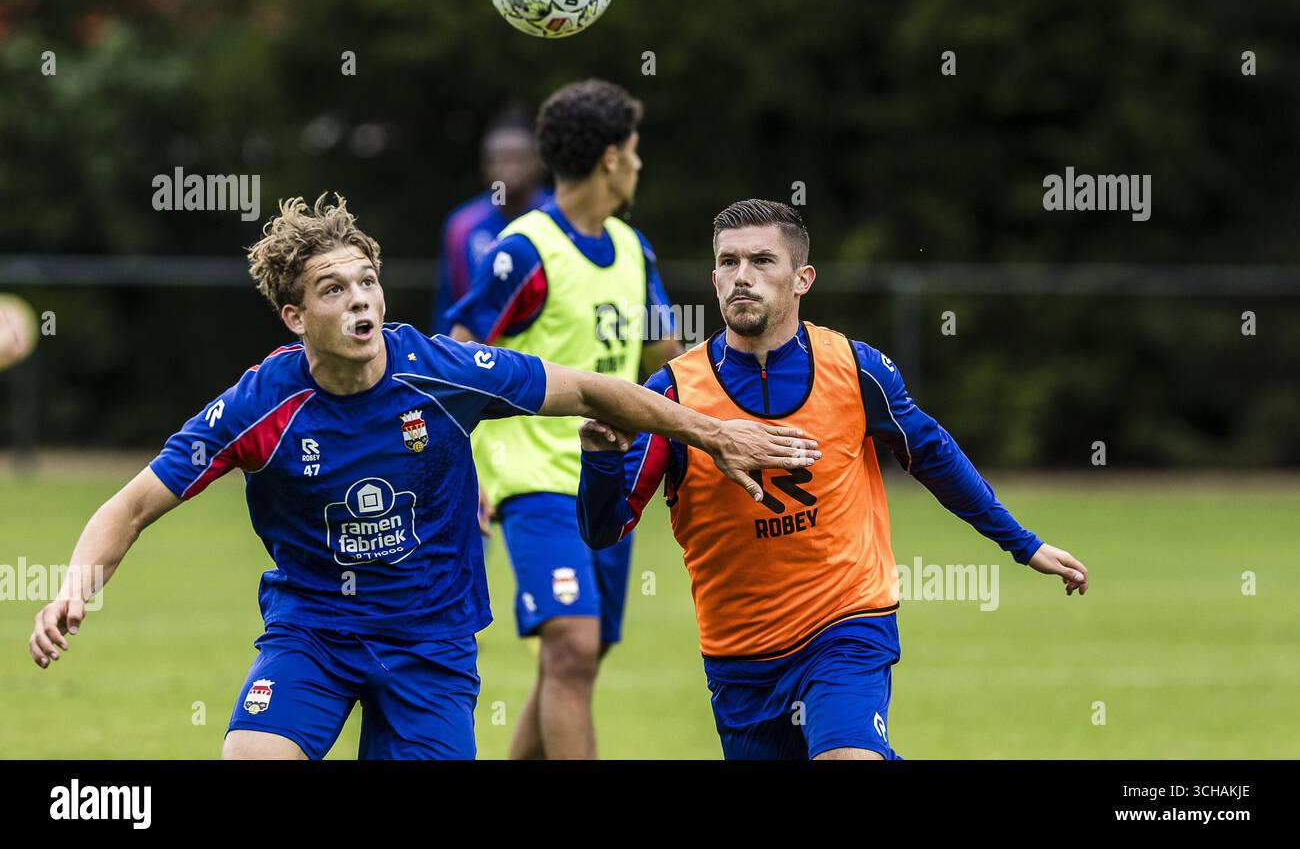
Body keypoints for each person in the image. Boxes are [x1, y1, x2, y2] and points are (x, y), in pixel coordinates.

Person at [26, 192, 818, 761]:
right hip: (313, 633)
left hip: (430, 646)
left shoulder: (439, 372)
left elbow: (586, 388)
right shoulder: (260, 403)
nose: (360, 300)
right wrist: (74, 587)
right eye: (333, 290)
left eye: (366, 281)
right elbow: (130, 506)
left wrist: (714, 435)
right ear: (297, 319)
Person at [576, 199, 1090, 760]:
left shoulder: (854, 367)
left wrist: (1024, 544)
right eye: (728, 262)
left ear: (803, 279)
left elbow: (934, 456)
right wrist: (599, 459)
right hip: (740, 657)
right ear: (714, 276)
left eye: (762, 261)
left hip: (846, 625)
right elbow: (606, 528)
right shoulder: (673, 394)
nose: (742, 277)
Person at [447, 79, 681, 759]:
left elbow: (670, 361)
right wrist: (461, 470)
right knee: (574, 646)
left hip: (608, 478)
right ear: (611, 157)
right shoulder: (526, 250)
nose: (640, 165)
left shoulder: (635, 252)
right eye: (635, 151)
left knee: (578, 655)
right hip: (533, 478)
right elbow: (457, 357)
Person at [431, 110, 552, 337]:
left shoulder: (557, 216)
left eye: (518, 158)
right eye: (499, 159)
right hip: (480, 357)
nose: (508, 168)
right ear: (484, 165)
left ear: (537, 161)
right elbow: (449, 300)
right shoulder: (462, 225)